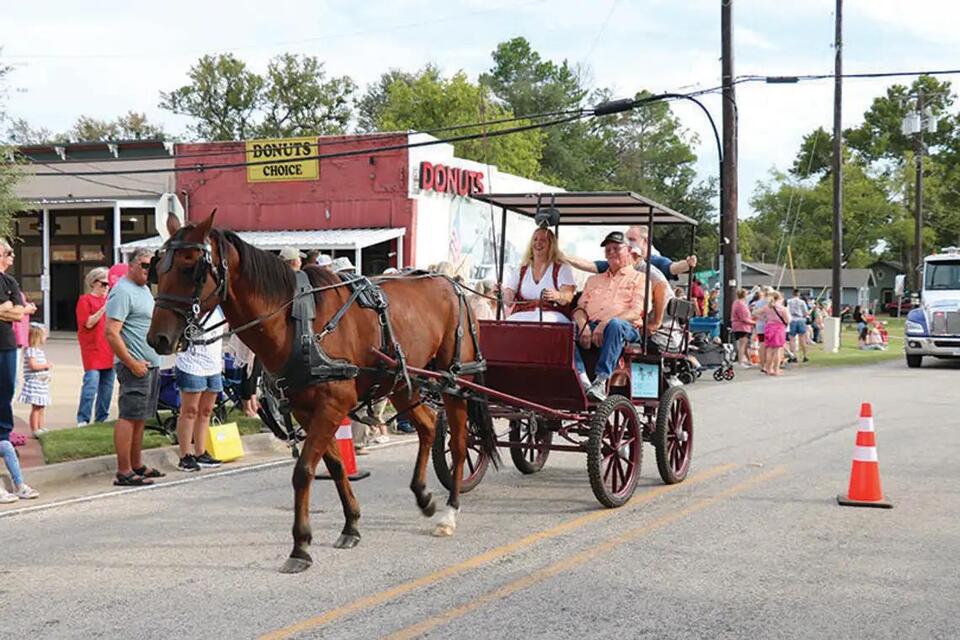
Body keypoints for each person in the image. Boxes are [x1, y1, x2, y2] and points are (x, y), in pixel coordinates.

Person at [105, 249, 166, 486]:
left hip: (150, 364)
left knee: (141, 418)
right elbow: (111, 332)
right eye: (144, 265)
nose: (149, 270)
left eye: (153, 266)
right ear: (131, 265)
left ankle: (136, 464)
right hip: (134, 366)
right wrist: (131, 362)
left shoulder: (145, 290)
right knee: (129, 417)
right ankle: (124, 471)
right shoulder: (122, 291)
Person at [572, 232, 646, 402]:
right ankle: (581, 377)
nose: (611, 252)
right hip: (591, 325)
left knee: (615, 324)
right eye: (608, 249)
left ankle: (601, 379)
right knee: (565, 329)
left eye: (616, 248)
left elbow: (636, 311)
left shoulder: (640, 278)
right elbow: (579, 308)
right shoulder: (594, 280)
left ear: (628, 250)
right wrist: (583, 326)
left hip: (626, 327)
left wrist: (604, 323)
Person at [173, 307, 225, 472]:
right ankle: (185, 455)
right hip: (192, 361)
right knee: (189, 411)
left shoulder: (219, 309)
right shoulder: (191, 307)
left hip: (213, 363)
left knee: (206, 411)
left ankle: (200, 451)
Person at [0, 240, 36, 451]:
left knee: (6, 390)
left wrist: (9, 309)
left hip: (6, 344)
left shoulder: (10, 281)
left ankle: (4, 436)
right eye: (8, 253)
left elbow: (20, 312)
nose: (12, 256)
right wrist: (7, 308)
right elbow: (17, 310)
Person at [503, 228, 576, 323]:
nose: (538, 243)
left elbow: (568, 297)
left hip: (552, 315)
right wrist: (503, 293)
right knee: (507, 323)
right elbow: (508, 301)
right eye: (535, 239)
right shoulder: (521, 270)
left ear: (551, 245)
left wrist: (557, 295)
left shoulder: (561, 268)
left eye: (543, 240)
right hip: (522, 315)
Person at [75, 267, 115, 426]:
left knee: (107, 388)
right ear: (94, 283)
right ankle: (83, 418)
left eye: (108, 284)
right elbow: (88, 323)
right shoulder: (85, 300)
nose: (106, 287)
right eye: (103, 284)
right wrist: (104, 308)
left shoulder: (111, 300)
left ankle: (101, 419)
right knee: (91, 385)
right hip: (92, 349)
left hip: (109, 349)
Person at [19, 323, 51, 438]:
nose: (46, 337)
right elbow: (33, 366)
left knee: (41, 406)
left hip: (42, 383)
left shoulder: (38, 351)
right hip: (35, 383)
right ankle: (35, 429)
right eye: (44, 335)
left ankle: (41, 427)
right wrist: (45, 366)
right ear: (37, 337)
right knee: (36, 408)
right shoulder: (31, 351)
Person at [763, 291, 790, 376]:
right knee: (777, 350)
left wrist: (765, 319)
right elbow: (787, 320)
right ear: (779, 298)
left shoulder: (767, 307)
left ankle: (768, 369)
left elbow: (755, 312)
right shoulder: (782, 308)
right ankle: (776, 370)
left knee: (769, 349)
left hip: (769, 327)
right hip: (779, 328)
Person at [731, 289, 755, 368]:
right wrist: (754, 323)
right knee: (742, 345)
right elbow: (744, 318)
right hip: (742, 326)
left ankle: (749, 360)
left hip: (736, 325)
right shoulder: (741, 304)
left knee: (744, 345)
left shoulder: (736, 302)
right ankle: (740, 362)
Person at [786, 289, 810, 363]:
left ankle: (794, 356)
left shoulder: (788, 301)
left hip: (792, 320)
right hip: (800, 320)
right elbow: (805, 312)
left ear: (792, 294)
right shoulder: (802, 302)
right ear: (799, 294)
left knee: (792, 339)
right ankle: (805, 356)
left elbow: (787, 311)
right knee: (802, 339)